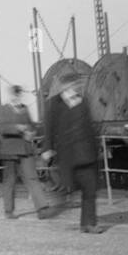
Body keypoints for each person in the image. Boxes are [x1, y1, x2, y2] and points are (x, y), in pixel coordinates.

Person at [43, 74, 104, 233]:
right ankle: (58, 206)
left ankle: (88, 224)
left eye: (77, 84)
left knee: (90, 189)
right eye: (74, 84)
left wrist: (96, 148)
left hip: (87, 153)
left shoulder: (83, 101)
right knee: (68, 188)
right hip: (68, 155)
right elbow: (48, 128)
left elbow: (90, 127)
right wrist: (47, 148)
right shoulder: (54, 104)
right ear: (65, 86)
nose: (76, 87)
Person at [0, 85, 56, 220]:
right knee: (10, 180)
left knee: (32, 178)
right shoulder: (4, 109)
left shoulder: (25, 109)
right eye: (15, 95)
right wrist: (18, 128)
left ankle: (42, 208)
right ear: (11, 95)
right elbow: (1, 128)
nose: (18, 98)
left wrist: (32, 131)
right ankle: (8, 210)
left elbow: (32, 125)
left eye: (19, 95)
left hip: (26, 149)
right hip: (9, 150)